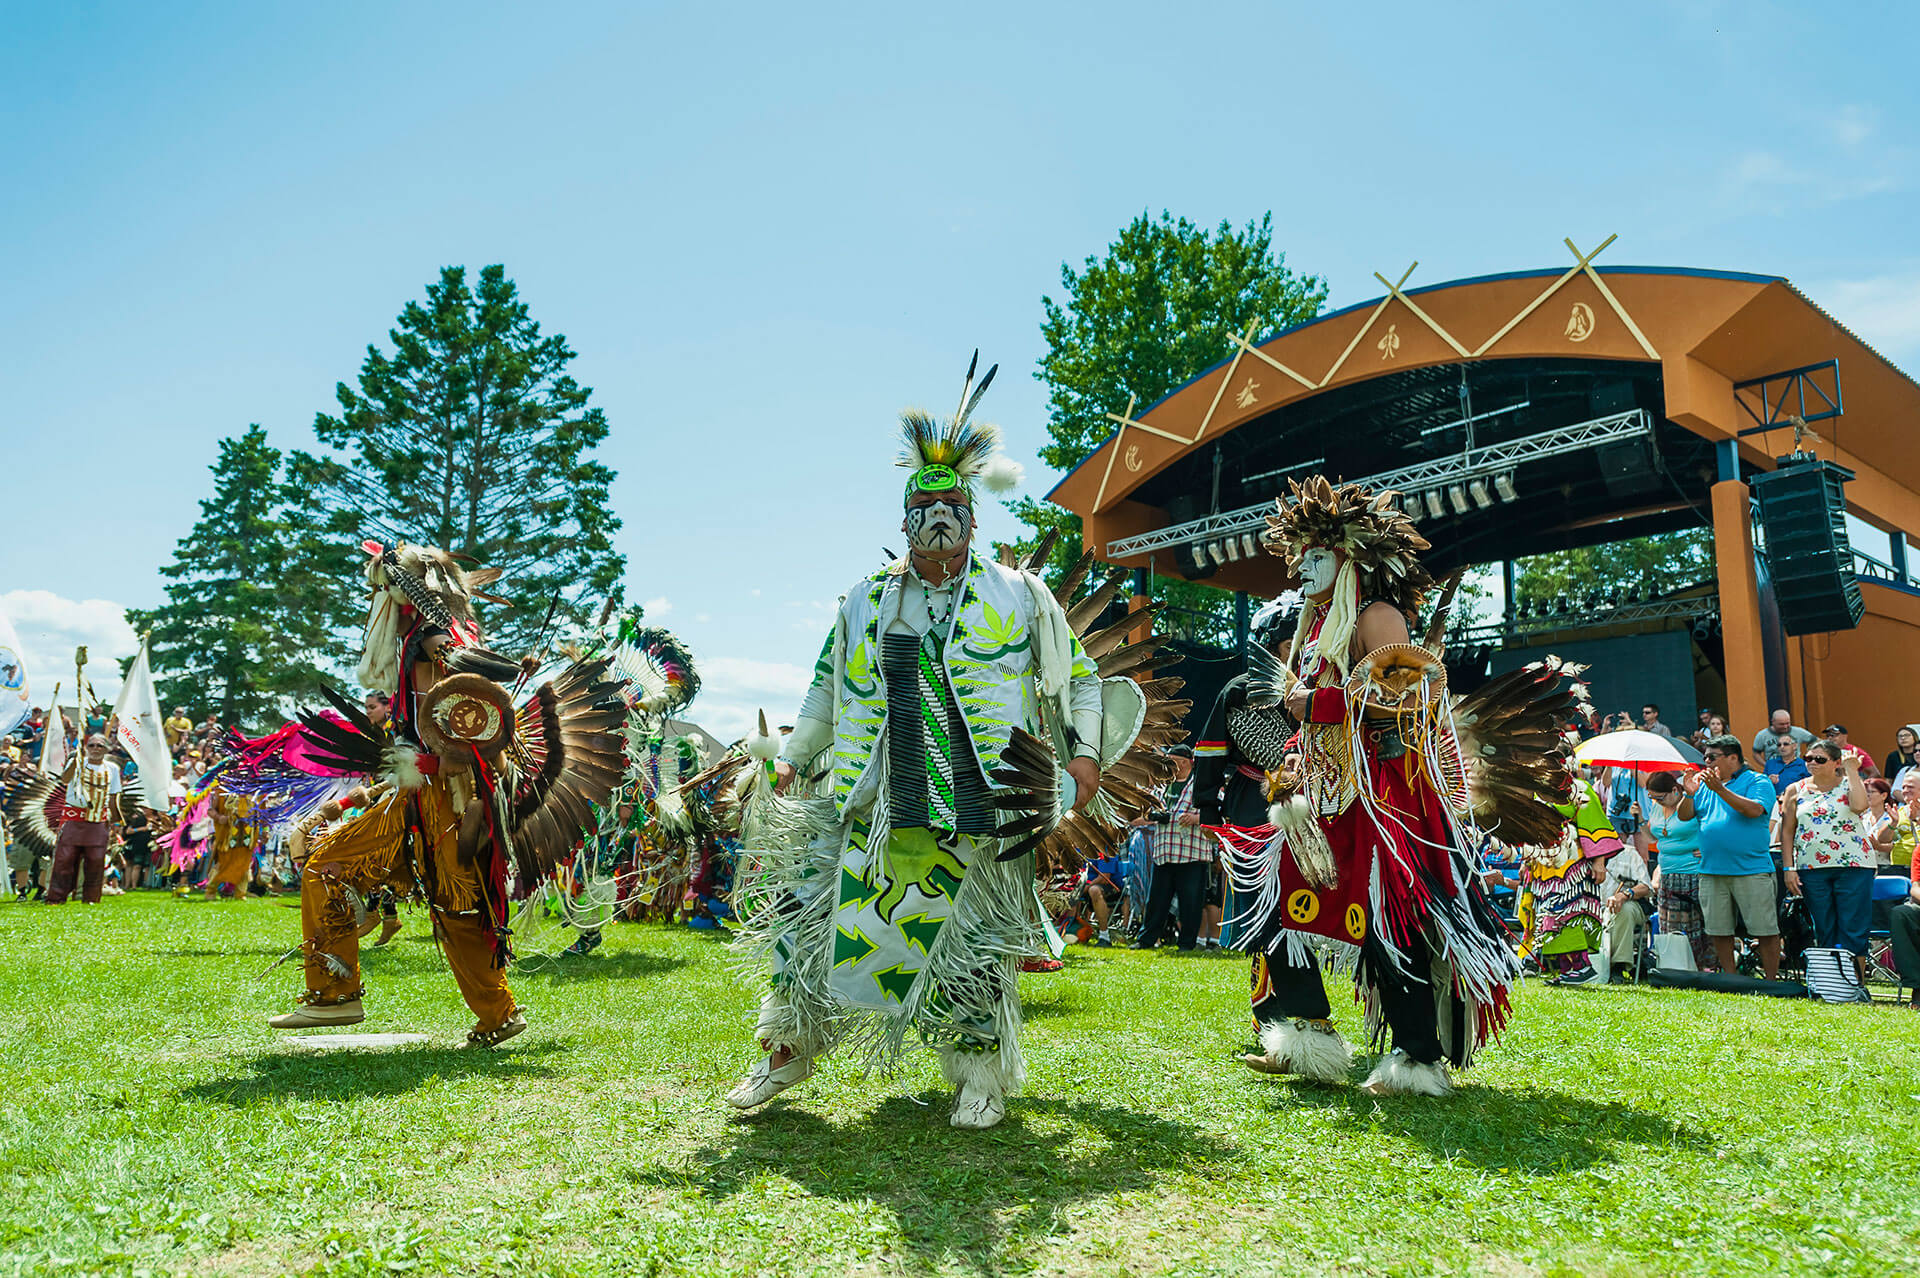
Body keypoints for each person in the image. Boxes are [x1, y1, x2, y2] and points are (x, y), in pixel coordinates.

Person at [726, 359, 1155, 1131]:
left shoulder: (1017, 595)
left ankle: (979, 1075)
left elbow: (1080, 680)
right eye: (924, 504)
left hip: (979, 800)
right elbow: (825, 690)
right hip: (874, 797)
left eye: (953, 503)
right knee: (809, 920)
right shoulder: (863, 600)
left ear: (974, 517)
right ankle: (787, 1050)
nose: (939, 517)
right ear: (902, 519)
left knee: (973, 946)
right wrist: (794, 756)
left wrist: (1084, 760)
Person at [1228, 478, 1539, 1097]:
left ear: (1350, 561)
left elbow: (1409, 696)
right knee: (1279, 908)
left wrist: (1314, 702)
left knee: (1385, 923)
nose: (1305, 569)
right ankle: (1306, 1038)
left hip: (1380, 798)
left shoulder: (1375, 615)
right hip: (1321, 791)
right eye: (1302, 558)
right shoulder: (1320, 626)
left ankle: (1416, 1059)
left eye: (1319, 556)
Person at [267, 541, 627, 1047]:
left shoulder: (432, 636)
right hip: (437, 795)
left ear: (398, 593)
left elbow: (472, 714)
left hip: (445, 800)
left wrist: (464, 687)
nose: (374, 603)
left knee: (339, 870)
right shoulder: (440, 635)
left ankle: (337, 994)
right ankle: (494, 1013)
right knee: (452, 903)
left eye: (378, 590)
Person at [1681, 735, 1781, 980]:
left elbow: (1754, 810)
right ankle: (1731, 978)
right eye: (1704, 756)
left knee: (1765, 930)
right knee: (1718, 929)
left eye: (1712, 757)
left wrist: (1721, 790)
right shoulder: (1704, 785)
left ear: (1733, 757)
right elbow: (1684, 816)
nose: (1705, 761)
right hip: (1711, 870)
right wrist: (1690, 794)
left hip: (1751, 869)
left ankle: (1770, 982)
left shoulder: (1757, 780)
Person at [1780, 744, 1876, 979]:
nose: (1812, 762)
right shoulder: (1795, 789)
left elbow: (1860, 806)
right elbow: (1787, 831)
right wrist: (1788, 867)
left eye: (1820, 759)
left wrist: (1853, 770)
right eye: (1808, 758)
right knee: (1823, 926)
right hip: (1811, 868)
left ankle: (1856, 984)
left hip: (1854, 865)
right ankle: (1831, 984)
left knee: (1853, 927)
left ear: (1836, 763)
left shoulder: (1849, 783)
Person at [1134, 759, 1214, 953]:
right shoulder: (1162, 784)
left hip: (1191, 854)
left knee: (1191, 903)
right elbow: (1140, 814)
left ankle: (1187, 943)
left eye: (1177, 761)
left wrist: (1196, 818)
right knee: (1156, 901)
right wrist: (1154, 816)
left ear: (1189, 762)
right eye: (1170, 761)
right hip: (1164, 852)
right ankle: (1146, 940)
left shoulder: (1201, 784)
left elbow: (1217, 813)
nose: (1173, 765)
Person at [1640, 770, 1710, 970]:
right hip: (1667, 872)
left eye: (1660, 797)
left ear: (1674, 790)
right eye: (1652, 797)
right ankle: (1674, 967)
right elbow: (1653, 838)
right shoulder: (1656, 806)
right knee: (1668, 925)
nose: (1656, 801)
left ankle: (1702, 966)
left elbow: (1711, 826)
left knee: (1696, 923)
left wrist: (1707, 848)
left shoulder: (1691, 802)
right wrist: (1641, 820)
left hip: (1693, 871)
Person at [45, 735, 123, 905]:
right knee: (64, 859)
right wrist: (75, 761)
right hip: (73, 818)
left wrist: (116, 821)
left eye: (100, 746)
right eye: (92, 745)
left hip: (98, 820)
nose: (95, 748)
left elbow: (113, 796)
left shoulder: (112, 768)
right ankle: (56, 898)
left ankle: (91, 898)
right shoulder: (77, 763)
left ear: (107, 749)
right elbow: (64, 780)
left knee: (96, 861)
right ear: (86, 747)